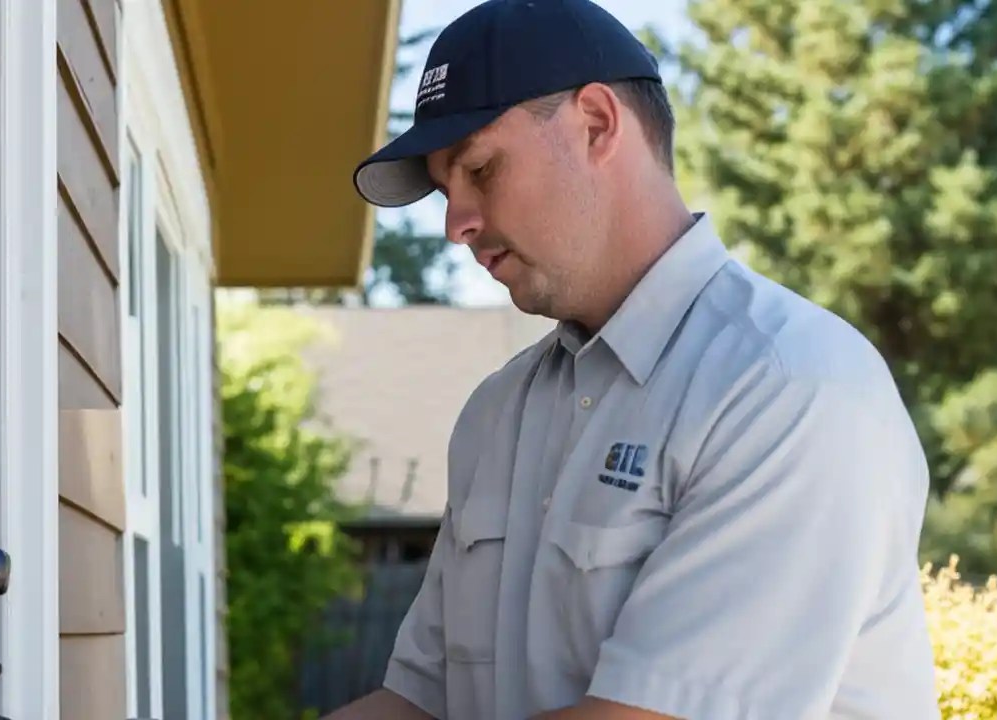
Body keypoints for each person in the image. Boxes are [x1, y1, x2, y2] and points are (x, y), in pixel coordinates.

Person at [329, 1, 941, 718]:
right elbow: (418, 702)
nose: (455, 225)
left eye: (481, 170)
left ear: (596, 123)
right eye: (444, 191)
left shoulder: (787, 386)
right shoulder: (498, 414)